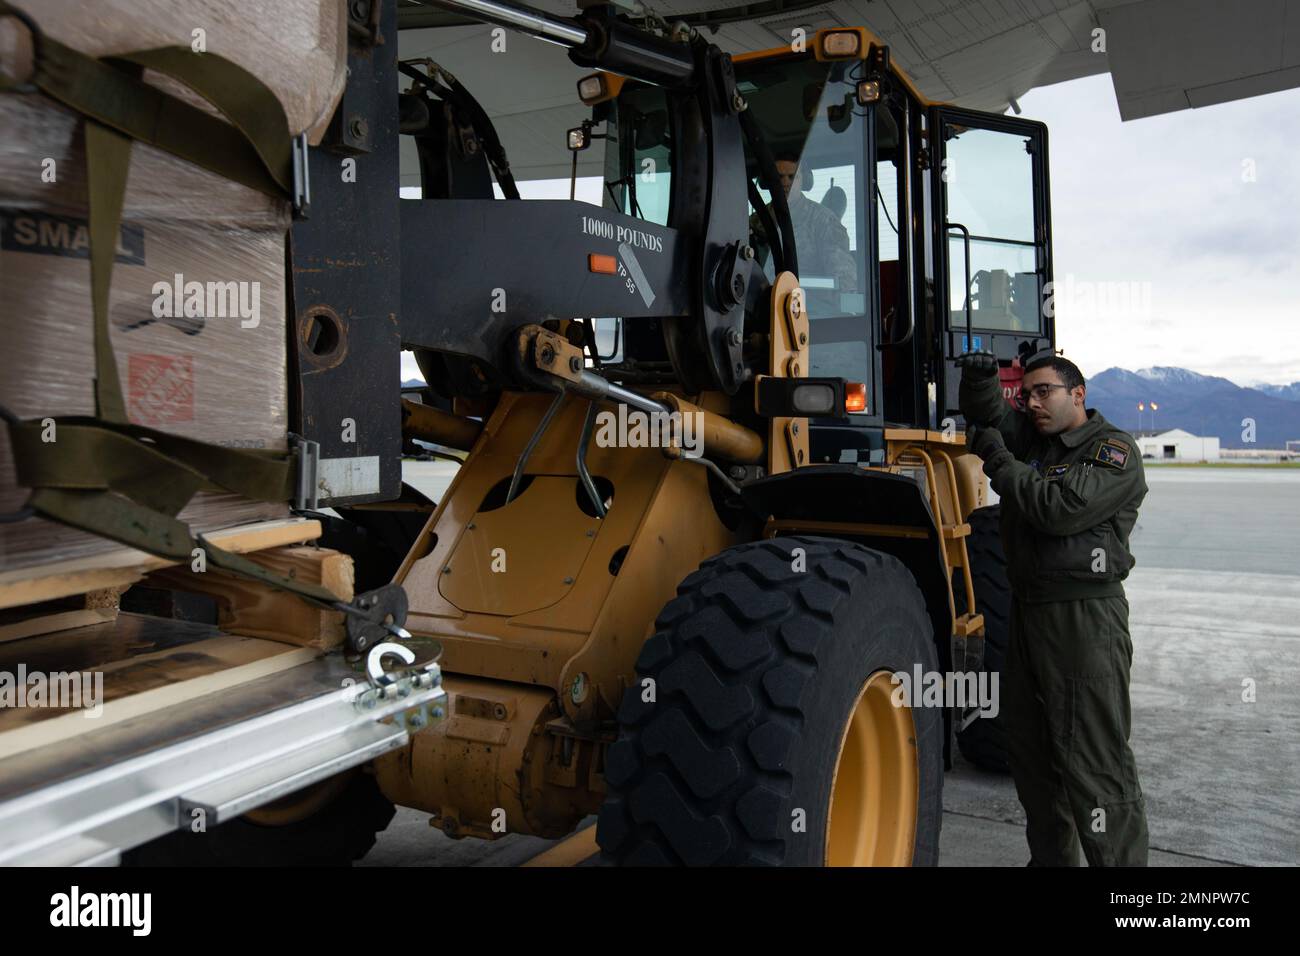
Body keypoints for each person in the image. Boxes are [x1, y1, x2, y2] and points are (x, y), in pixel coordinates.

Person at [958, 349, 1151, 866]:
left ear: (1078, 394)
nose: (1034, 403)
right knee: (1035, 766)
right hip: (1030, 615)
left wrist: (998, 462)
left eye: (1046, 391)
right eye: (1029, 393)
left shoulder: (1112, 451)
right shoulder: (1040, 442)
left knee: (1095, 768)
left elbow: (1058, 509)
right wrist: (980, 381)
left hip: (1083, 620)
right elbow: (991, 417)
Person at [751, 153, 857, 292]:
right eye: (779, 176)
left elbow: (844, 280)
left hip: (808, 309)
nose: (785, 182)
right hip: (762, 308)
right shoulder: (754, 222)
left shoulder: (823, 221)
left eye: (792, 177)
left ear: (803, 180)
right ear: (768, 181)